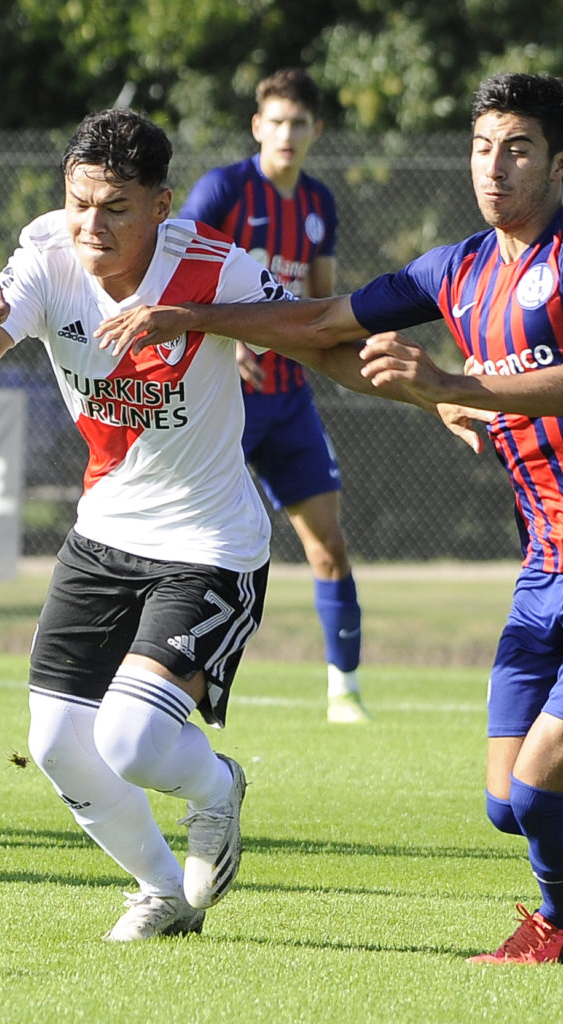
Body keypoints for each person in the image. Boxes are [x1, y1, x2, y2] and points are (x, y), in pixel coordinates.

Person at [93, 71, 563, 967]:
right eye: (482, 148)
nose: (495, 168)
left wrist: (448, 384)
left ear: (562, 164)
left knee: (544, 789)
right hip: (548, 564)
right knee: (508, 802)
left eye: (517, 149)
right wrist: (188, 315)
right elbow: (321, 318)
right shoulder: (455, 269)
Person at [0, 108, 358, 942]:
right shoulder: (46, 257)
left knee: (128, 738)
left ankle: (216, 789)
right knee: (57, 741)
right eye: (77, 201)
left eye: (115, 208)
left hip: (209, 547)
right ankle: (162, 892)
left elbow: (317, 328)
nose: (90, 224)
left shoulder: (211, 264)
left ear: (160, 205)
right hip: (104, 536)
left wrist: (195, 319)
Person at [177, 68, 370, 725]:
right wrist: (229, 339)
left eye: (299, 123)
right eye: (275, 122)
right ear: (257, 126)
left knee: (329, 547)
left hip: (289, 402)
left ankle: (344, 690)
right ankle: (159, 675)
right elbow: (172, 271)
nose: (286, 133)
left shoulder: (317, 204)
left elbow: (319, 303)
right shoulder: (224, 190)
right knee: (192, 546)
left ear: (315, 130)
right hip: (222, 402)